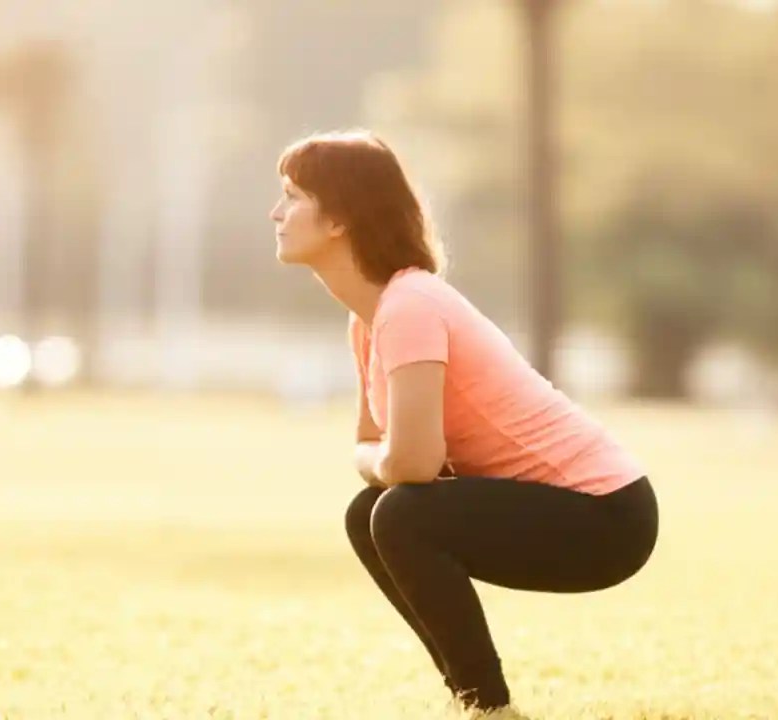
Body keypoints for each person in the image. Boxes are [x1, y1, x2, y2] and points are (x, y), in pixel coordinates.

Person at [268, 129, 659, 717]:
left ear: (340, 220)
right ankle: (471, 697)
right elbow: (377, 448)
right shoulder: (370, 322)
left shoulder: (410, 307)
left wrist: (380, 461)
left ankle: (488, 704)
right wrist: (382, 461)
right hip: (571, 509)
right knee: (370, 515)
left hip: (608, 514)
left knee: (399, 513)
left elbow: (413, 464)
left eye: (293, 196)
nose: (276, 212)